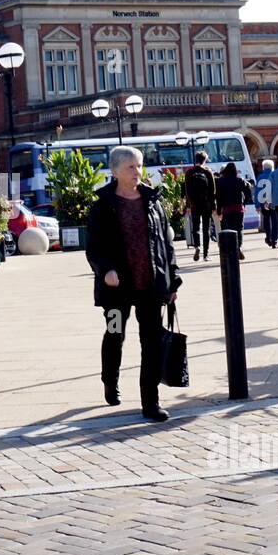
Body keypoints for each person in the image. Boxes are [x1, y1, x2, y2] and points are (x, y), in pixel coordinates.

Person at [85, 145, 181, 423]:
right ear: (115, 171)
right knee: (115, 333)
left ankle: (150, 402)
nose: (137, 172)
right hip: (116, 292)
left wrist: (172, 281)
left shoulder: (153, 202)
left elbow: (166, 244)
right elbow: (94, 247)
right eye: (130, 167)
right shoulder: (102, 206)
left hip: (150, 287)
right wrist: (106, 270)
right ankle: (110, 378)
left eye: (139, 166)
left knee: (151, 342)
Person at [183, 151, 218, 261]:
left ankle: (197, 246)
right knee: (206, 228)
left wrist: (188, 205)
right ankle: (205, 254)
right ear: (205, 160)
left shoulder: (189, 173)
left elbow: (187, 191)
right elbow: (213, 191)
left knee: (196, 227)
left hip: (194, 205)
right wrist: (213, 207)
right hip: (206, 204)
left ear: (195, 159)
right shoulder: (208, 172)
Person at [215, 162, 252, 260]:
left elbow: (218, 198)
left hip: (226, 209)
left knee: (228, 229)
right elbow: (248, 189)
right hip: (238, 208)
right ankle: (238, 246)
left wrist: (219, 211)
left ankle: (231, 250)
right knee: (239, 229)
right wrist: (244, 202)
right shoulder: (239, 180)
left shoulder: (220, 181)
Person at [255, 158, 275, 247]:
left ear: (263, 167)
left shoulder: (260, 177)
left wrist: (257, 205)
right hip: (274, 202)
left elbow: (257, 191)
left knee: (266, 221)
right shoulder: (274, 175)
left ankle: (268, 237)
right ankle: (275, 239)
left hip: (264, 202)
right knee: (275, 221)